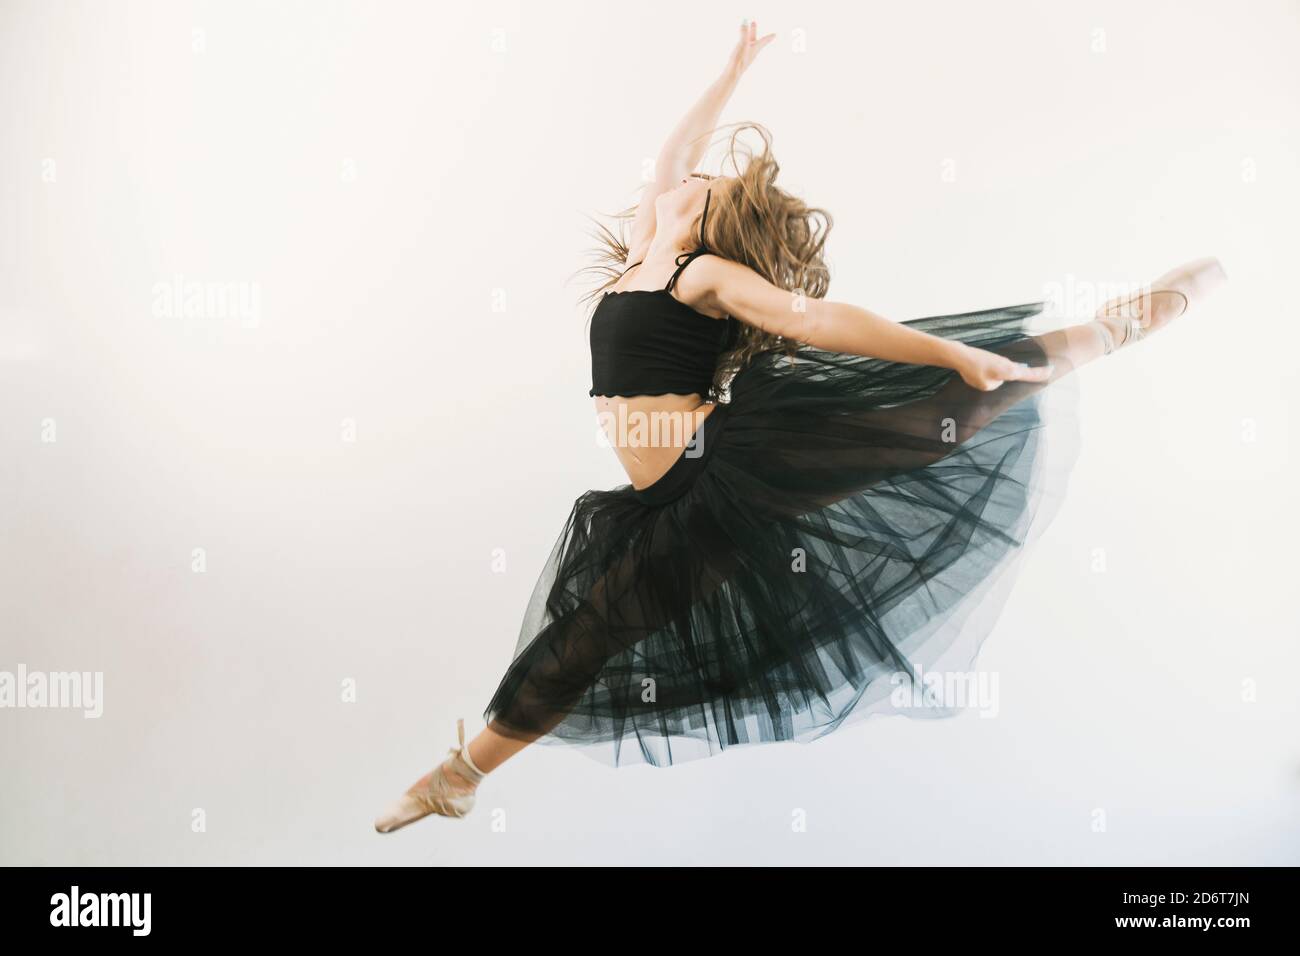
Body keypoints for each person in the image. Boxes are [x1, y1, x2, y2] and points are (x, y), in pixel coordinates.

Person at [374, 20, 1226, 833]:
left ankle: (1102, 332)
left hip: (731, 468)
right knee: (590, 635)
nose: (688, 178)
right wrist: (730, 75)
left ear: (709, 218)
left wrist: (944, 350)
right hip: (665, 505)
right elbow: (670, 155)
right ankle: (459, 779)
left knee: (925, 420)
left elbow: (812, 322)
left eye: (703, 184)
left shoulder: (700, 272)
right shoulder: (643, 247)